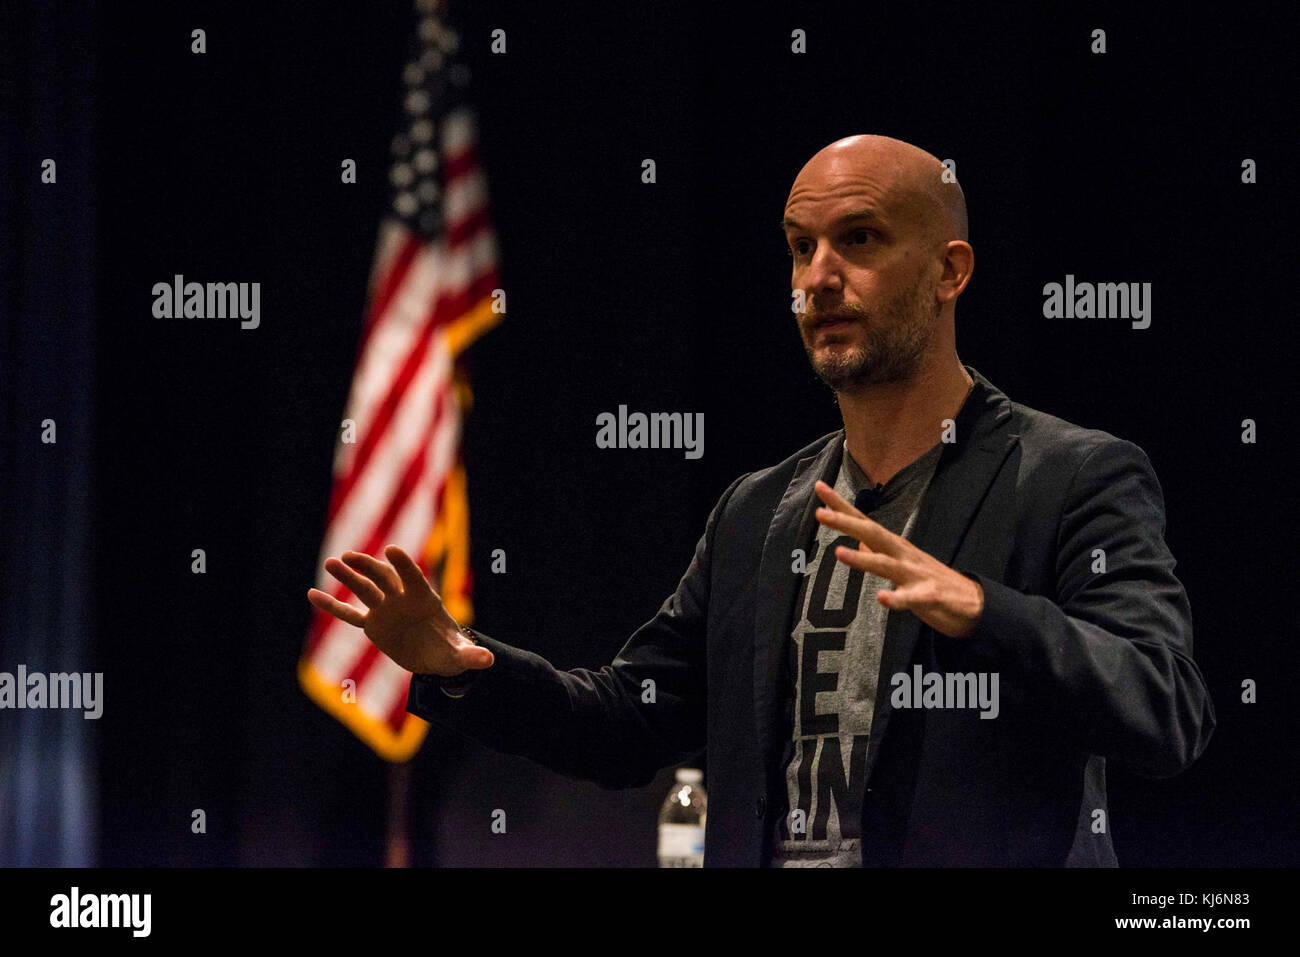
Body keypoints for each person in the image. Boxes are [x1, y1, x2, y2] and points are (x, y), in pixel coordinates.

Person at [307, 134, 1215, 866]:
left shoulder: (1072, 475)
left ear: (950, 270)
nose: (818, 277)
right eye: (799, 247)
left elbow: (1166, 708)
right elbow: (626, 720)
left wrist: (985, 610)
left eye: (858, 239)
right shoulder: (759, 512)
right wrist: (461, 661)